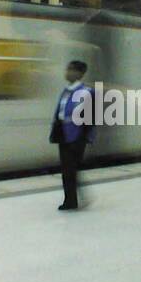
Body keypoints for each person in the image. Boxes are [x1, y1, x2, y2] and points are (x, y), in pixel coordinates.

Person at [50, 60, 94, 211]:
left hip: (76, 136)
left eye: (71, 70)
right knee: (67, 169)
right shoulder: (66, 90)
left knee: (70, 169)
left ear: (80, 74)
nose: (67, 72)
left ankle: (72, 201)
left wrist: (84, 137)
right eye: (67, 69)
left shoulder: (86, 92)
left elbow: (90, 118)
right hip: (63, 133)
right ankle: (70, 200)